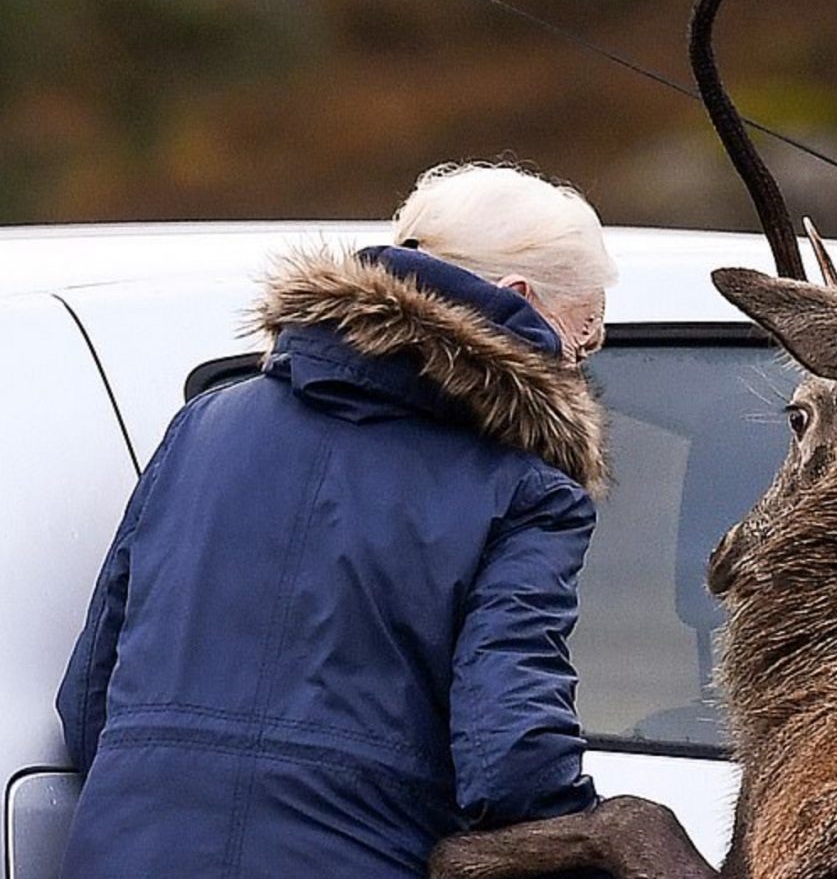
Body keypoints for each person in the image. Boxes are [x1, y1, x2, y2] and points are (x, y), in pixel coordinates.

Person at [55, 161, 619, 877]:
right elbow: (510, 758)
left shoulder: (203, 426)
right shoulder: (522, 488)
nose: (578, 367)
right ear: (517, 299)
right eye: (585, 336)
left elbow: (88, 702)